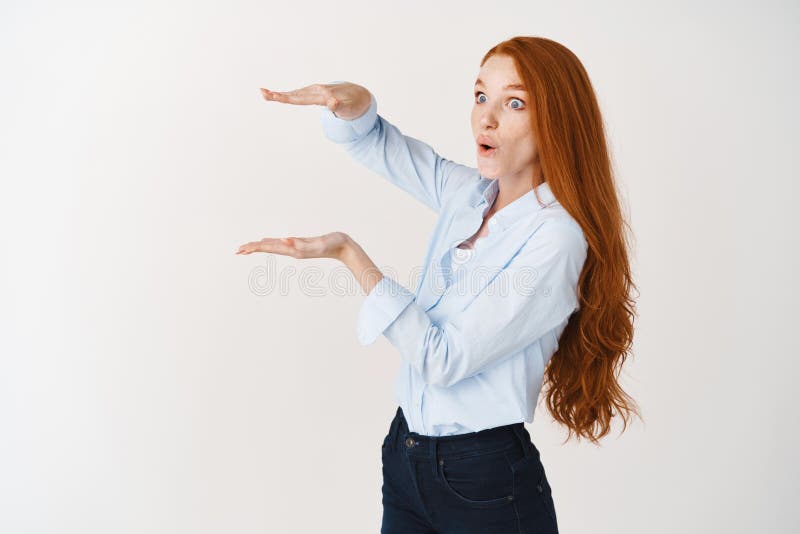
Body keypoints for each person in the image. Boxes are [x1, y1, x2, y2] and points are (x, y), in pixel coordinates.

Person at [236, 35, 640, 534]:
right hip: (407, 456)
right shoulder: (469, 193)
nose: (486, 119)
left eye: (514, 103)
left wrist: (349, 254)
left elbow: (442, 360)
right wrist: (356, 103)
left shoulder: (556, 238)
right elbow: (373, 141)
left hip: (484, 479)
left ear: (556, 121)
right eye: (479, 96)